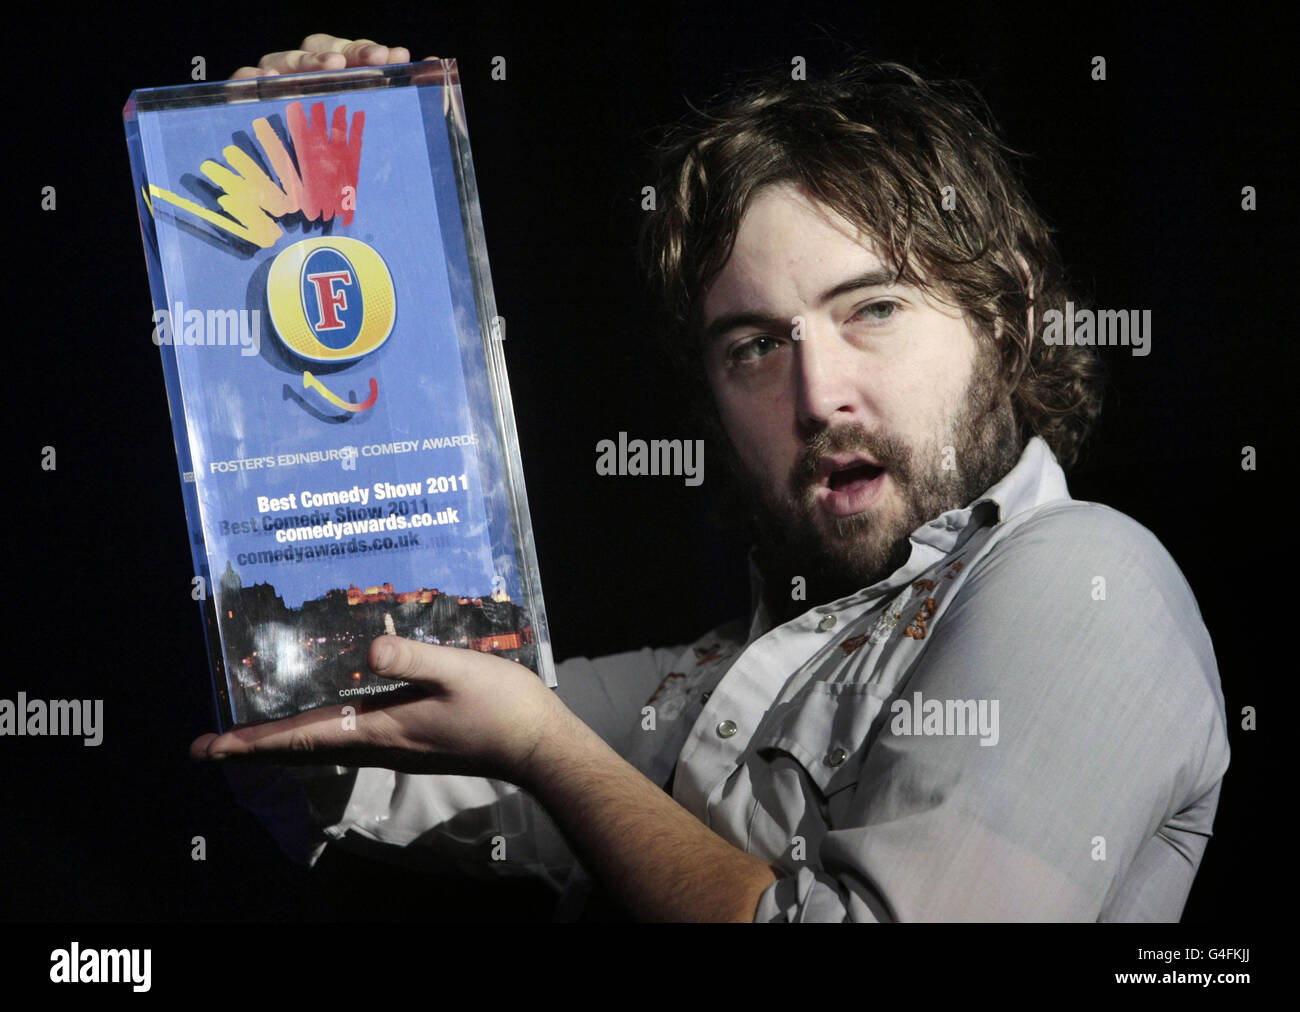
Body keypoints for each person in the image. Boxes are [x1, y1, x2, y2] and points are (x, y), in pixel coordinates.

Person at [193, 35, 1230, 922]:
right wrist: (347, 225)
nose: (818, 394)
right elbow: (351, 748)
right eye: (752, 347)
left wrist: (548, 751)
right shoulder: (722, 674)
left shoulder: (1086, 574)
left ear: (1001, 319)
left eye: (871, 309)